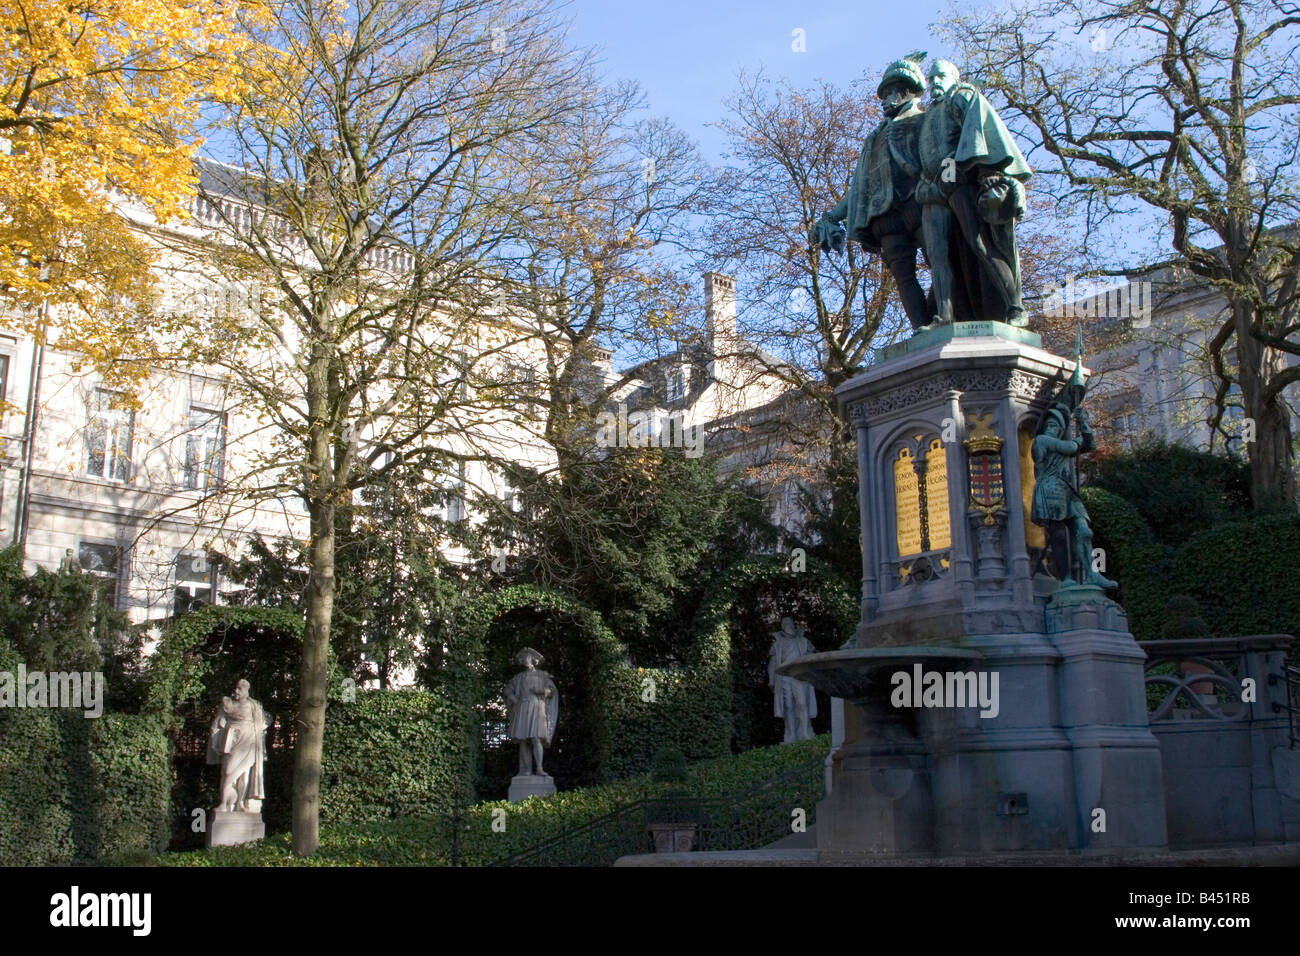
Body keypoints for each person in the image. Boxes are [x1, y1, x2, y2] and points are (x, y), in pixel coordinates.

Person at [814, 52, 933, 331]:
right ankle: (922, 328)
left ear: (907, 91)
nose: (884, 99)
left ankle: (942, 319)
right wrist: (832, 216)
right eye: (884, 93)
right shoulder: (875, 137)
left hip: (922, 205)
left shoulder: (926, 121)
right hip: (885, 215)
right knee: (903, 275)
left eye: (891, 91)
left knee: (942, 262)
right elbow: (859, 190)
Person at [917, 59, 1033, 326]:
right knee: (938, 255)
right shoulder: (929, 115)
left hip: (957, 177)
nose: (934, 82)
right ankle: (943, 316)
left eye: (940, 77)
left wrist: (975, 171)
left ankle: (1015, 307)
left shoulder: (962, 96)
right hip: (932, 188)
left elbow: (976, 130)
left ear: (953, 79)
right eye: (931, 79)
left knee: (979, 242)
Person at [1031, 373, 1118, 589]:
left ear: (1061, 429)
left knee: (1083, 531)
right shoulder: (1041, 441)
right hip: (1050, 489)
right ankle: (1066, 577)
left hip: (1068, 490)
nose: (1051, 426)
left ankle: (1092, 573)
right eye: (1049, 423)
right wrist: (1079, 431)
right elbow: (1071, 448)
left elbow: (1089, 446)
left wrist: (1084, 423)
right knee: (1059, 535)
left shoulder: (1060, 441)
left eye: (1055, 424)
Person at [207, 679, 267, 813]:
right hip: (232, 740)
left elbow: (262, 724)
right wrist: (215, 738)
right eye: (237, 688)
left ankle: (239, 802)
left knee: (244, 774)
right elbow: (217, 722)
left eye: (241, 689)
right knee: (227, 771)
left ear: (247, 692)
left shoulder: (254, 706)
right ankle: (224, 803)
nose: (237, 691)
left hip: (249, 741)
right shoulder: (227, 703)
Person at [505, 647, 559, 776]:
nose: (525, 661)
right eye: (523, 659)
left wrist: (541, 691)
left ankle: (539, 768)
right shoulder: (518, 677)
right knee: (523, 739)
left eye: (527, 658)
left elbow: (552, 691)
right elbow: (507, 690)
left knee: (536, 738)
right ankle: (526, 770)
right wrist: (514, 698)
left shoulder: (542, 675)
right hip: (522, 708)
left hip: (537, 707)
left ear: (534, 660)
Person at [768, 617, 818, 742]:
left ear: (794, 625)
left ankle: (806, 732)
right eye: (784, 623)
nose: (787, 624)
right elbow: (773, 663)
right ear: (782, 627)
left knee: (802, 703)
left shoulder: (804, 641)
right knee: (788, 706)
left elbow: (812, 657)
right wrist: (771, 681)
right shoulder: (777, 644)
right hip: (784, 676)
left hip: (800, 675)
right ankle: (790, 734)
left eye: (789, 622)